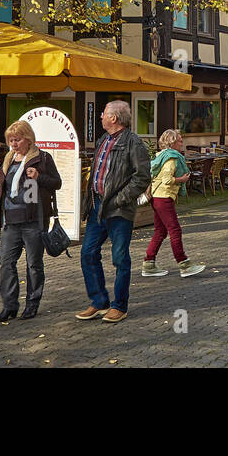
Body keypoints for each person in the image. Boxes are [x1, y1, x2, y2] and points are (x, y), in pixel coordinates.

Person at [77, 101, 151, 324]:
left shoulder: (133, 143)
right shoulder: (103, 139)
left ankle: (119, 306)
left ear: (114, 118)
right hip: (97, 206)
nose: (100, 117)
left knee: (120, 258)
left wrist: (120, 199)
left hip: (119, 210)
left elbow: (142, 178)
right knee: (88, 253)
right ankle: (99, 301)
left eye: (104, 114)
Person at [0, 120, 62, 322]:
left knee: (34, 264)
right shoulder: (8, 159)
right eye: (11, 140)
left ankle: (32, 304)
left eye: (18, 139)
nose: (14, 144)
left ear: (28, 139)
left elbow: (57, 183)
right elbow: (2, 192)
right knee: (6, 263)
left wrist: (39, 177)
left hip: (34, 219)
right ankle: (9, 306)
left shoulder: (42, 158)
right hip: (10, 220)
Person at [142, 129, 204, 277]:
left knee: (160, 231)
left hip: (157, 197)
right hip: (164, 197)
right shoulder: (172, 158)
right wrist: (182, 180)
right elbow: (167, 180)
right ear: (172, 142)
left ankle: (149, 263)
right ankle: (184, 264)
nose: (182, 143)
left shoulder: (162, 155)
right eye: (180, 141)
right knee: (174, 230)